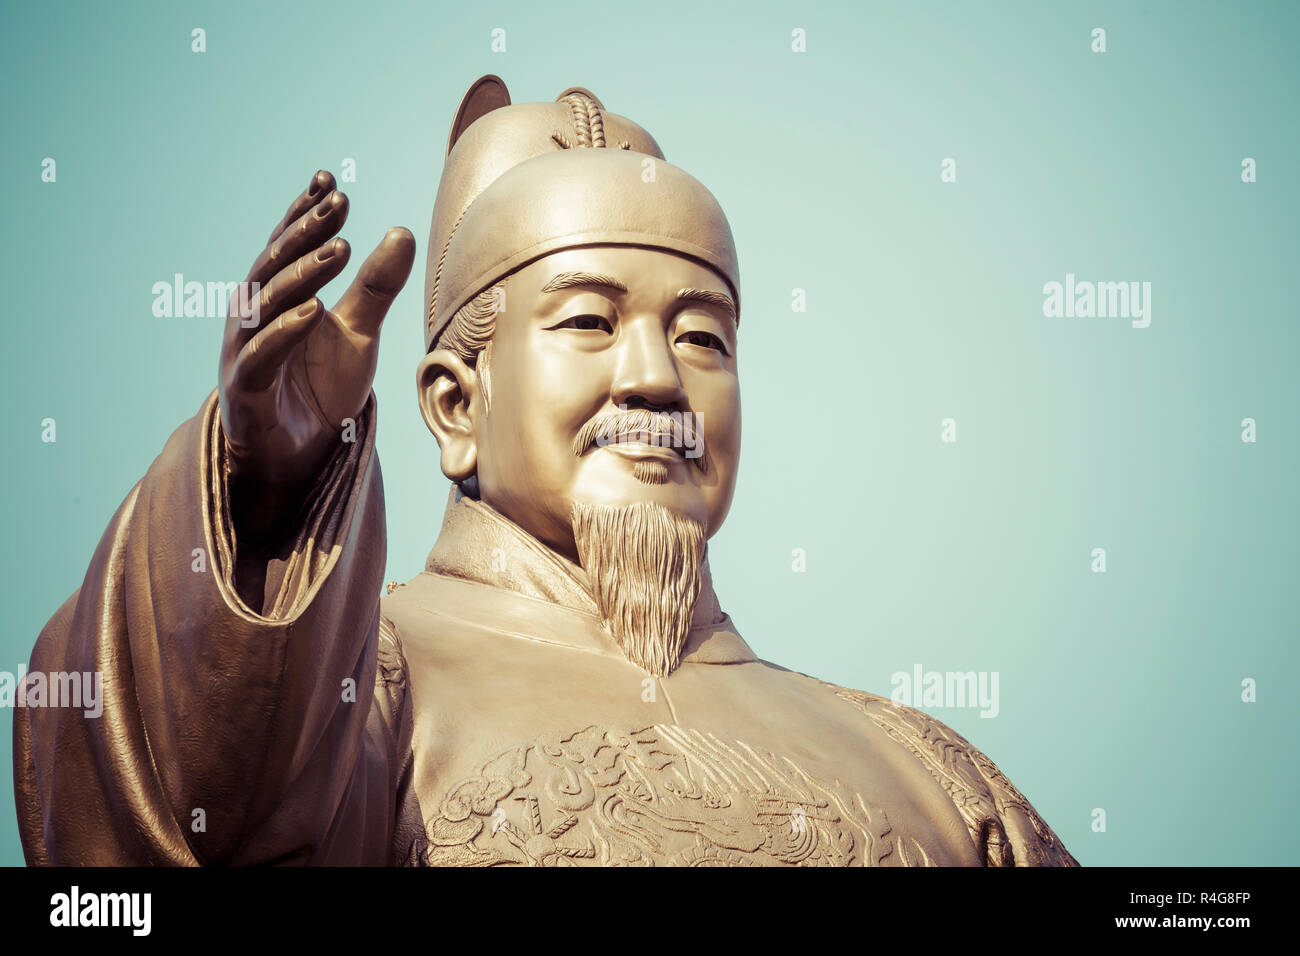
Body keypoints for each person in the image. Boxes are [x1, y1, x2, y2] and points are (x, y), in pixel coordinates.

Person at [14, 77, 1078, 867]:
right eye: (588, 321)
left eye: (704, 336)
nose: (657, 377)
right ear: (456, 403)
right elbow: (146, 826)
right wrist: (263, 491)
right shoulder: (355, 692)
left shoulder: (934, 770)